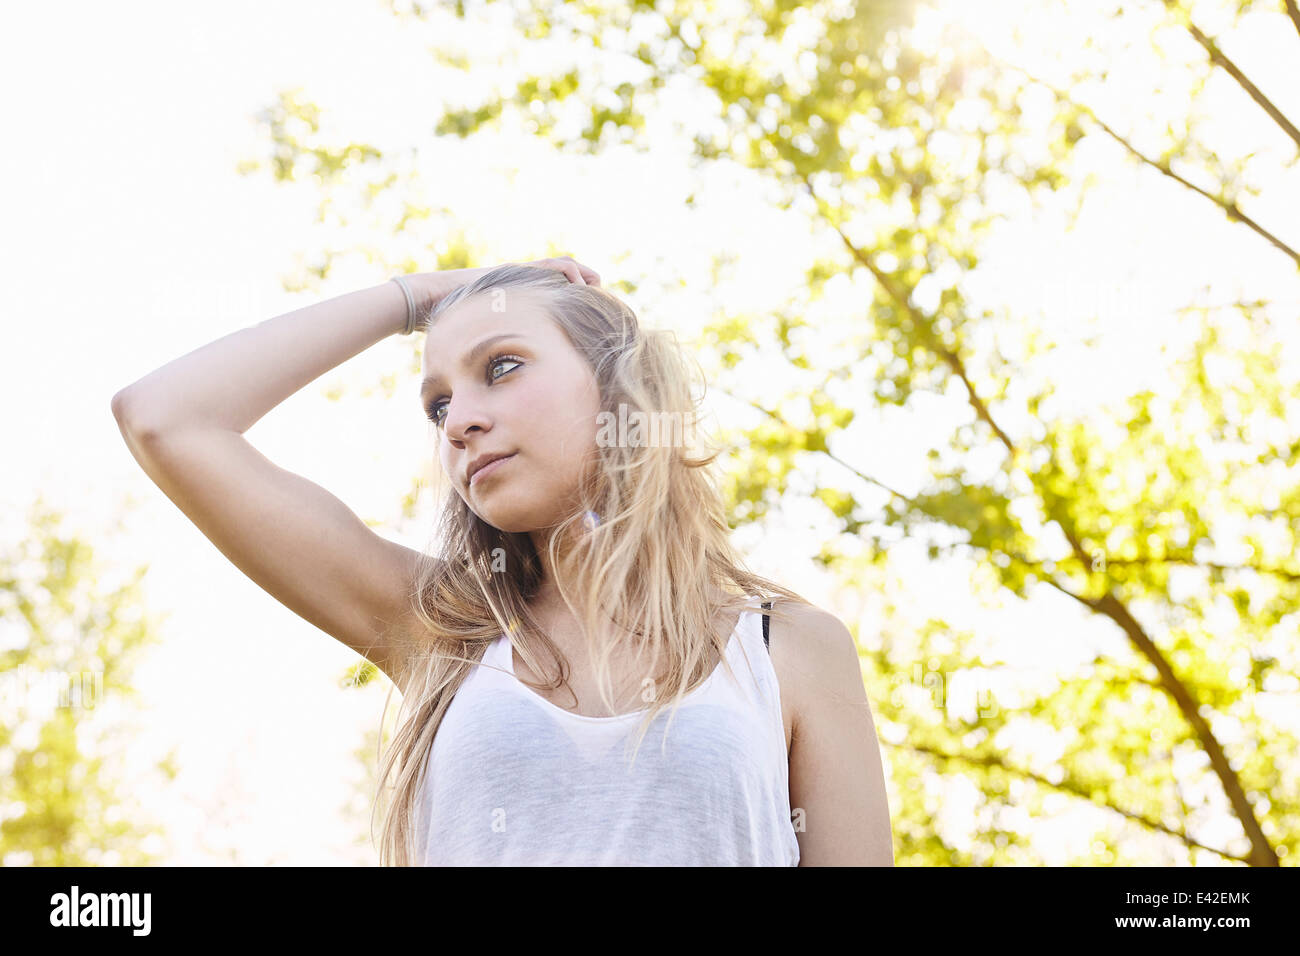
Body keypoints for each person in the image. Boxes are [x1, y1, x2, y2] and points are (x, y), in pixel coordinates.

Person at [111, 256, 893, 866]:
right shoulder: (439, 630)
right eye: (438, 404)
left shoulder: (788, 648)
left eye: (502, 366)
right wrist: (421, 300)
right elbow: (166, 418)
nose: (457, 423)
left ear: (620, 389)